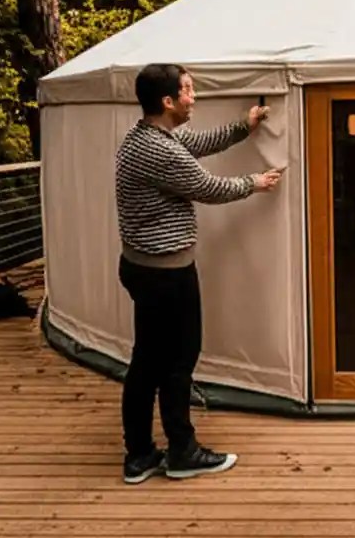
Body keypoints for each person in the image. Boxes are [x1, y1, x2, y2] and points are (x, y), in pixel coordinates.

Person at [114, 63, 283, 484]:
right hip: (165, 276)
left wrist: (243, 126)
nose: (194, 97)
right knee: (177, 361)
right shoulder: (160, 151)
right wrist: (255, 182)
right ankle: (182, 451)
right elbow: (208, 187)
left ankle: (139, 456)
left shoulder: (148, 137)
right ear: (168, 101)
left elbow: (199, 143)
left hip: (144, 267)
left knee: (147, 362)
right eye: (189, 91)